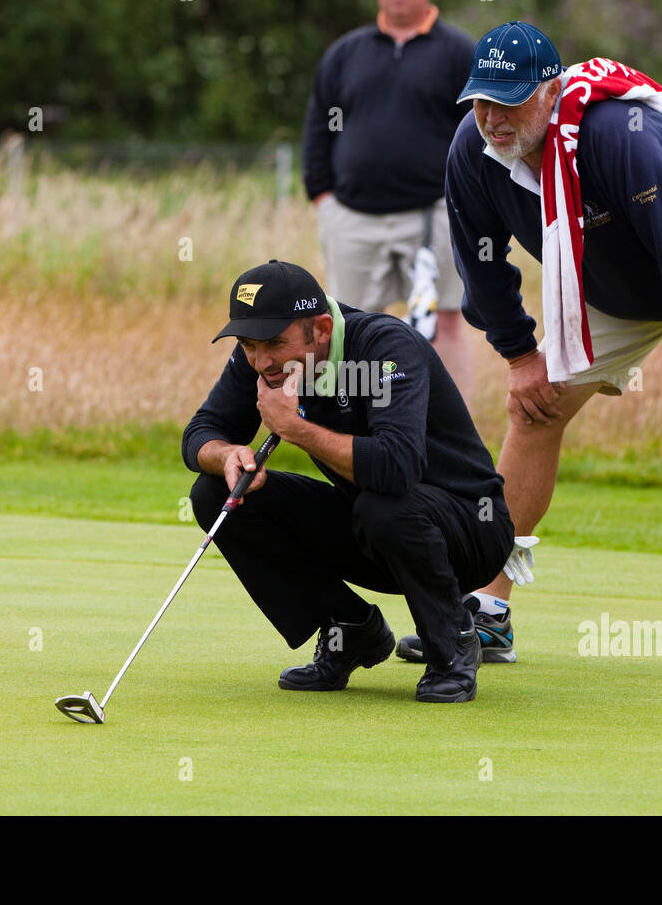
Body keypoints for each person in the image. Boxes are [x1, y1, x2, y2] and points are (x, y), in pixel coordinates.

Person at [395, 21, 662, 692]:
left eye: (511, 101)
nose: (494, 119)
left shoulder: (615, 137)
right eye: (482, 102)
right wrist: (520, 357)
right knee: (534, 410)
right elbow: (482, 266)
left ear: (551, 92)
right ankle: (487, 609)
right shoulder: (473, 149)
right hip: (615, 275)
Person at [181, 259, 515, 702]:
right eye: (248, 345)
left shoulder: (385, 345)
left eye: (274, 344)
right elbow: (199, 434)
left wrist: (295, 428)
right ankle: (349, 629)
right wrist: (227, 455)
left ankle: (451, 646)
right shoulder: (266, 359)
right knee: (215, 492)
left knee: (383, 504)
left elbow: (397, 469)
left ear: (320, 329)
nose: (261, 361)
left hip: (471, 531)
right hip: (378, 528)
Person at [301, 0, 477, 398]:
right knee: (348, 327)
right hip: (354, 217)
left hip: (435, 212)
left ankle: (452, 441)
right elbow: (320, 124)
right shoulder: (347, 52)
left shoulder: (459, 51)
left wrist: (471, 202)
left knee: (446, 320)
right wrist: (322, 197)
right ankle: (356, 432)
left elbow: (481, 129)